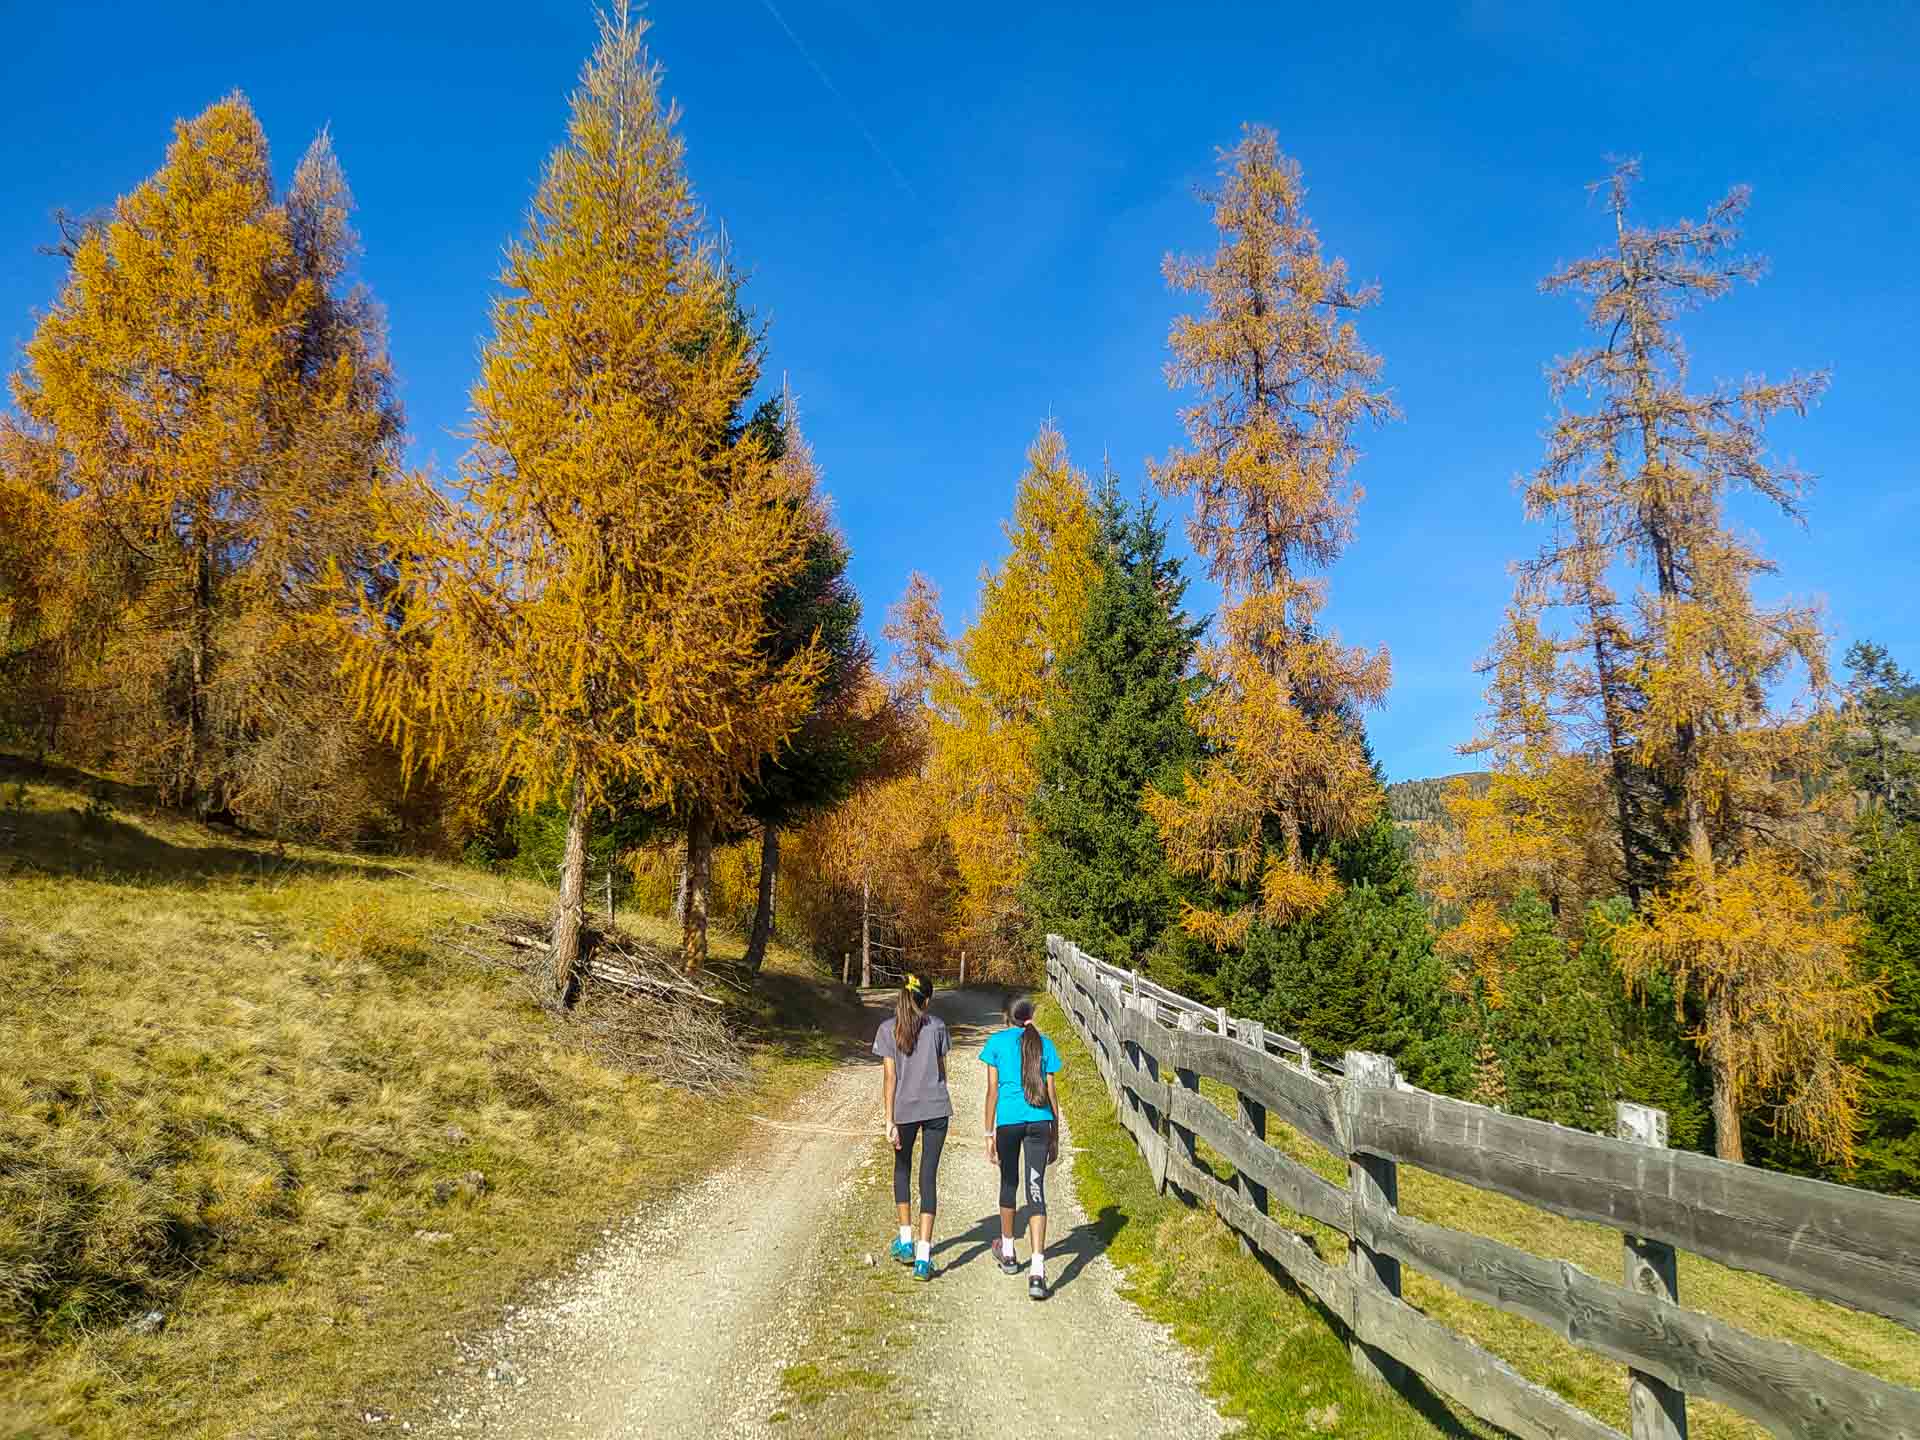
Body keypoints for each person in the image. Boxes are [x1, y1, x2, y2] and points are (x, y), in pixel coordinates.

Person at [981, 994, 1063, 1300]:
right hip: (1040, 1120)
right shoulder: (1044, 1043)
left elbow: (992, 1092)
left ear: (1006, 1016)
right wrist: (1055, 1133)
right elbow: (1052, 1093)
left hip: (1009, 1121)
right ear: (1031, 1015)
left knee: (1008, 1182)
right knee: (1036, 1190)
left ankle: (1010, 1250)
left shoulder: (996, 1043)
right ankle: (1038, 1272)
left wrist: (989, 1132)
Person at [875, 972, 951, 1281]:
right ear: (927, 1000)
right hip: (936, 1109)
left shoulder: (887, 1030)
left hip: (904, 1111)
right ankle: (923, 1258)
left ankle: (905, 1241)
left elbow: (890, 1078)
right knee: (928, 1176)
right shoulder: (937, 1027)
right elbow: (943, 1071)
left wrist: (889, 1119)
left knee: (902, 1169)